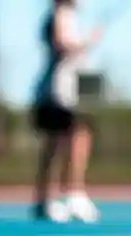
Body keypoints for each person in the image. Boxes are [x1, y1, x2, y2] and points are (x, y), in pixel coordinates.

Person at [31, 0, 102, 223]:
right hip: (60, 91)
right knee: (74, 138)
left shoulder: (59, 14)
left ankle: (48, 199)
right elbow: (63, 43)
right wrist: (88, 41)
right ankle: (72, 194)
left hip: (58, 90)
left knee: (59, 143)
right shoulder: (63, 13)